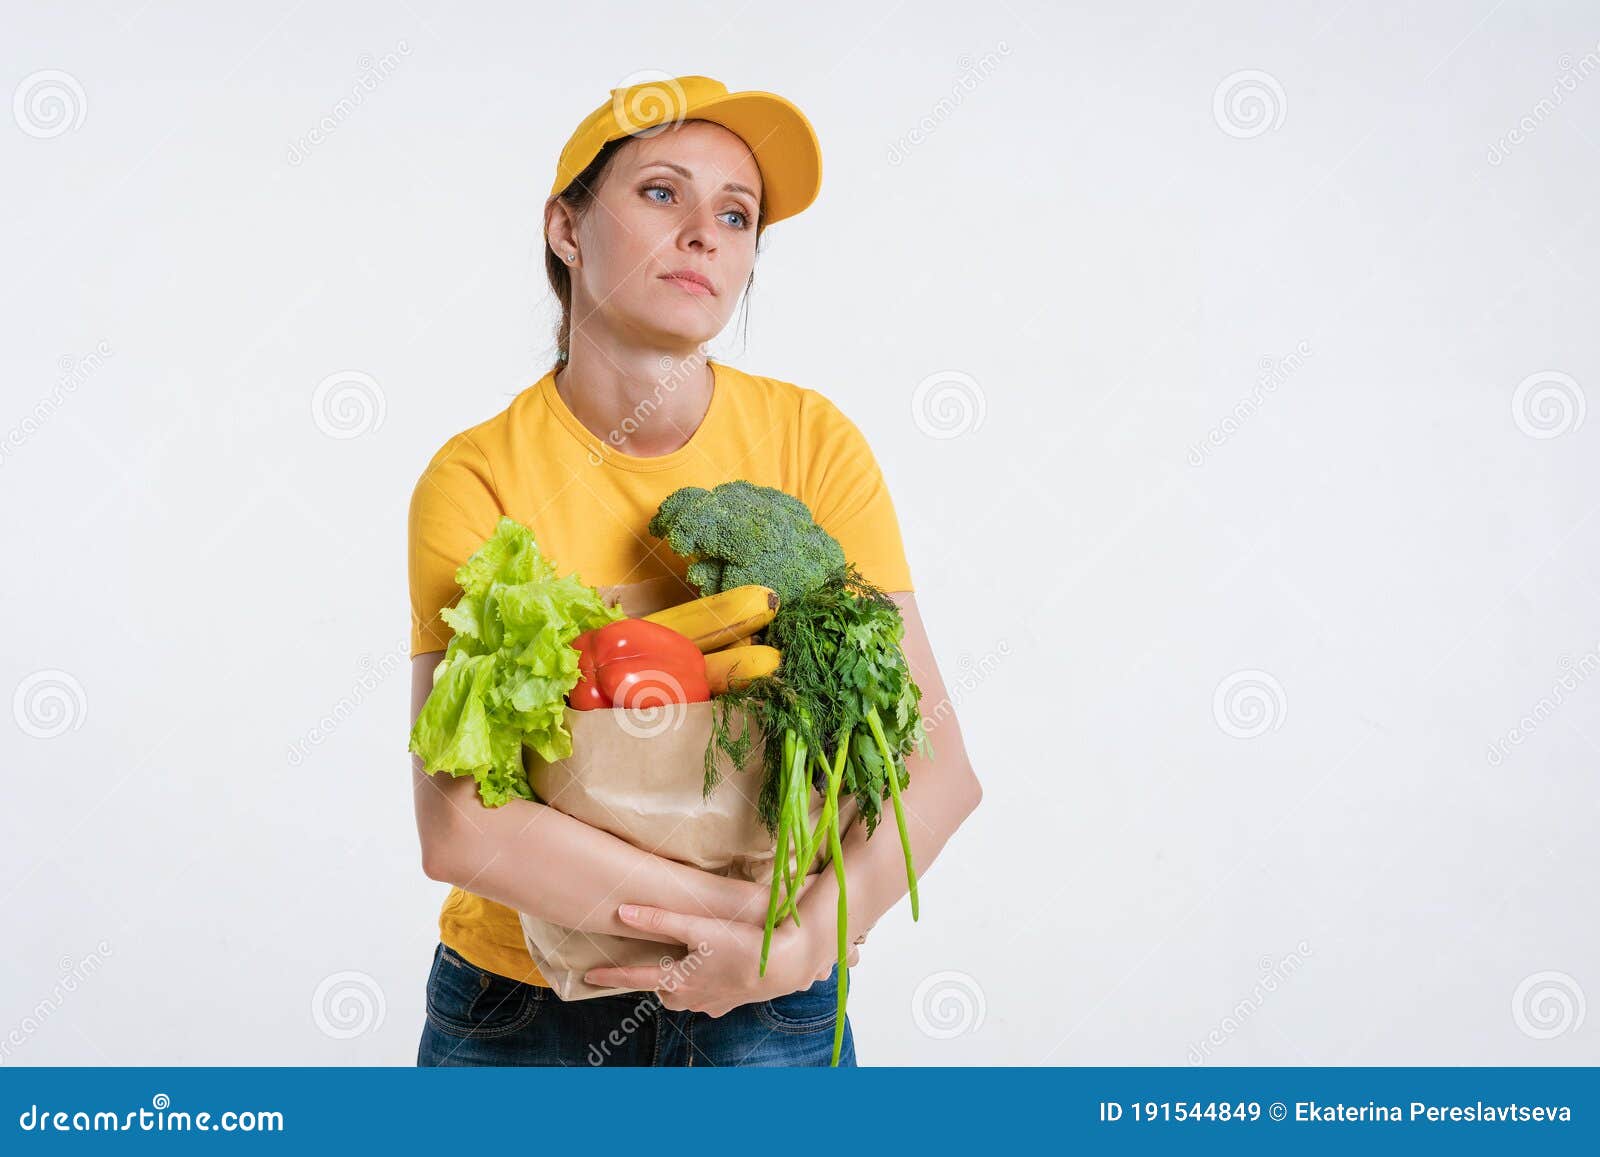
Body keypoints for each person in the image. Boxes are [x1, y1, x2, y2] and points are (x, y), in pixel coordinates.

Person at [408, 75, 983, 1066]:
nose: (706, 233)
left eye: (737, 213)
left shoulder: (809, 441)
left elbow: (937, 768)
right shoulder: (479, 476)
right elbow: (459, 823)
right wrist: (758, 918)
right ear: (566, 228)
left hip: (770, 1012)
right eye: (662, 192)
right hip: (520, 1009)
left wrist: (795, 949)